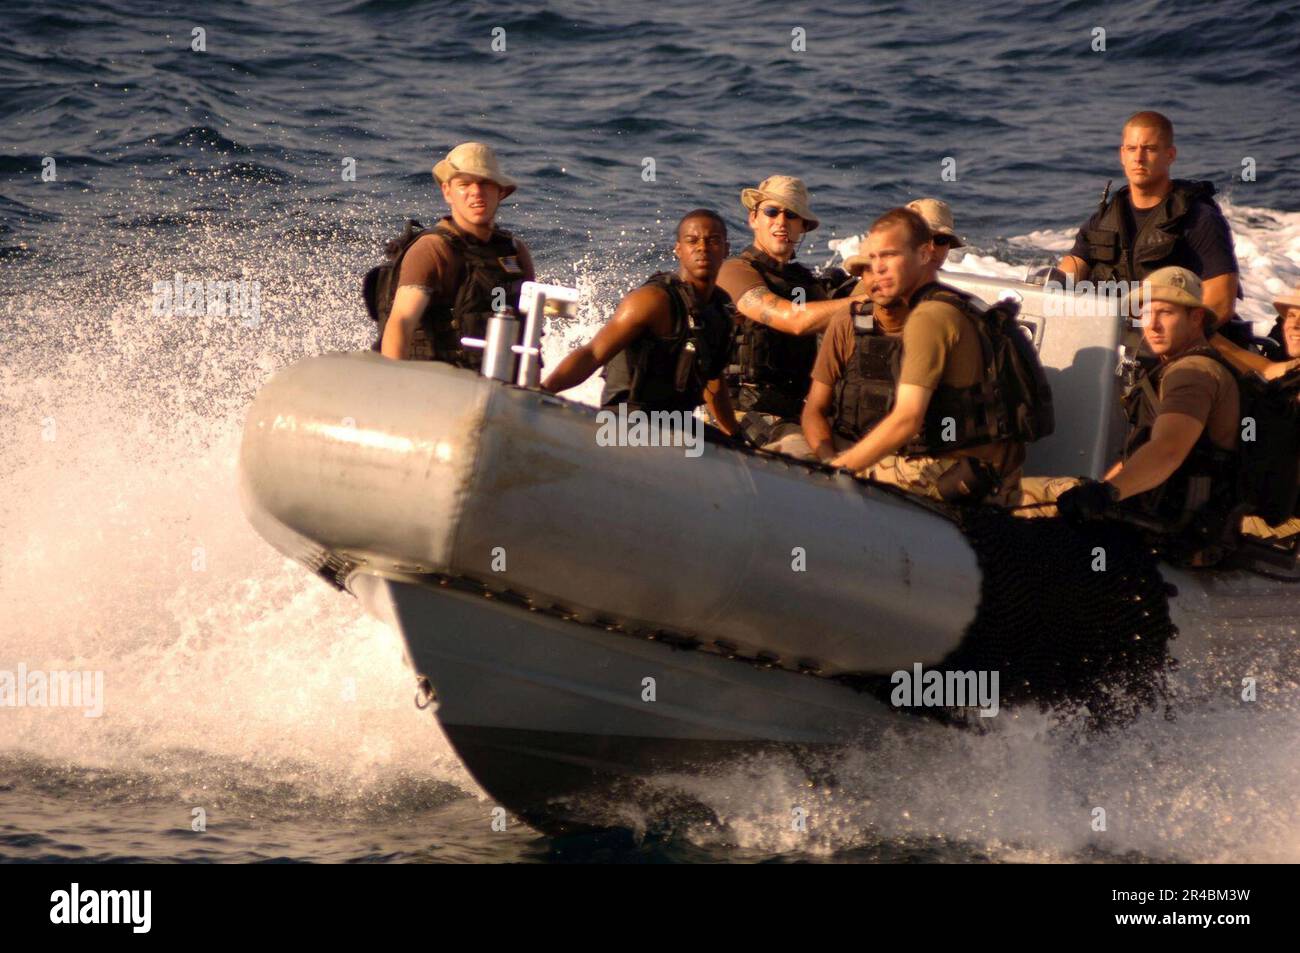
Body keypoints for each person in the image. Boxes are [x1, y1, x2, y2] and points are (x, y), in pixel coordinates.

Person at [1028, 268, 1242, 550]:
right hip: (1162, 515)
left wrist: (1106, 496)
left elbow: (1168, 449)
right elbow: (1143, 449)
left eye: (1166, 313)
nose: (1152, 325)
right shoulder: (1179, 367)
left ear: (1196, 317)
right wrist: (1098, 490)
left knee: (1011, 495)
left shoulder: (1192, 373)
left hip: (1173, 531)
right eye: (1146, 313)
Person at [828, 208, 1029, 505]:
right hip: (981, 467)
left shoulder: (931, 317)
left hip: (966, 474)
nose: (879, 270)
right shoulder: (956, 304)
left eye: (890, 257)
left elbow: (907, 419)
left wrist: (831, 473)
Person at [541, 209, 740, 434]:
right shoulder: (652, 300)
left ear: (726, 249)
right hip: (627, 422)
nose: (702, 248)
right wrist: (542, 392)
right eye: (692, 241)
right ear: (678, 250)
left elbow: (714, 381)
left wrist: (735, 435)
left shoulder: (721, 308)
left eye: (713, 241)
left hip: (677, 423)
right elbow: (593, 353)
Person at [716, 176, 872, 454]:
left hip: (799, 414)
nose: (781, 221)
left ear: (802, 227)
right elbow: (794, 320)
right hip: (744, 412)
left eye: (791, 215)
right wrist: (866, 299)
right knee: (809, 457)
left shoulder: (807, 285)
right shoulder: (735, 271)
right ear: (753, 218)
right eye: (772, 211)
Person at [1058, 111, 1240, 329]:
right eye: (1132, 149)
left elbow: (1220, 303)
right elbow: (1065, 279)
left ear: (1170, 155)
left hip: (1176, 344)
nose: (1139, 158)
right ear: (1122, 155)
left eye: (1150, 149)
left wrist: (1176, 342)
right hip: (1108, 339)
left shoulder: (1199, 219)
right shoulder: (1102, 221)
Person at [376, 142, 536, 363]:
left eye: (485, 184)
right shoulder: (433, 250)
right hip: (436, 385)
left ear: (500, 192)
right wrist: (395, 387)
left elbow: (530, 337)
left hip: (498, 387)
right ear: (447, 191)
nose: (476, 192)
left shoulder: (516, 253)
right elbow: (401, 325)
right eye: (465, 184)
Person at [843, 198, 964, 279]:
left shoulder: (956, 288)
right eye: (922, 238)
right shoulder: (879, 281)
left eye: (941, 240)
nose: (931, 248)